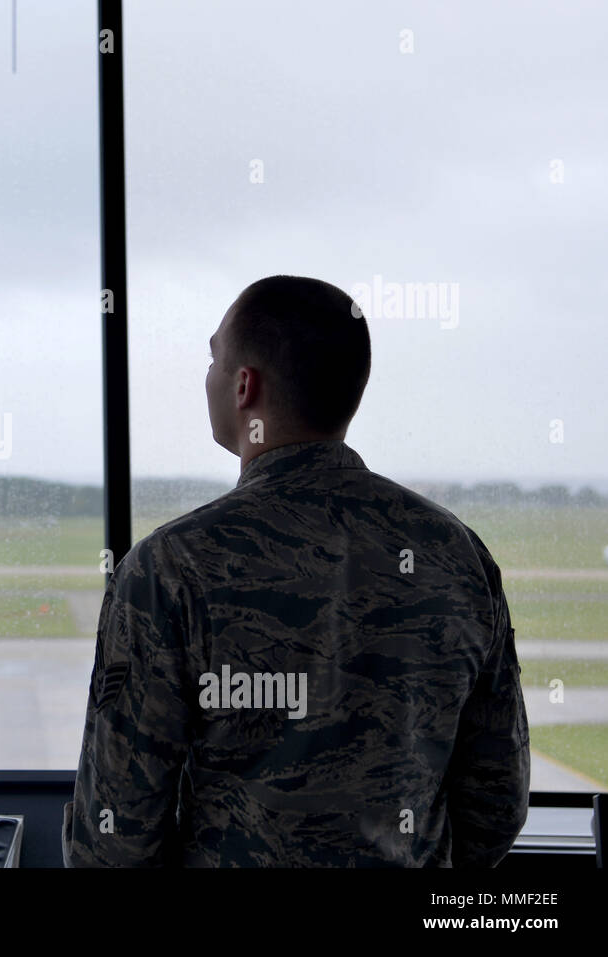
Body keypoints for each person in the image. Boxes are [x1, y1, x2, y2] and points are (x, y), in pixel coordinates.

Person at [63, 275, 529, 867]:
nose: (205, 376)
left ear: (243, 386)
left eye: (213, 358)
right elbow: (496, 803)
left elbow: (113, 837)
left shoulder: (168, 569)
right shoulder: (458, 556)